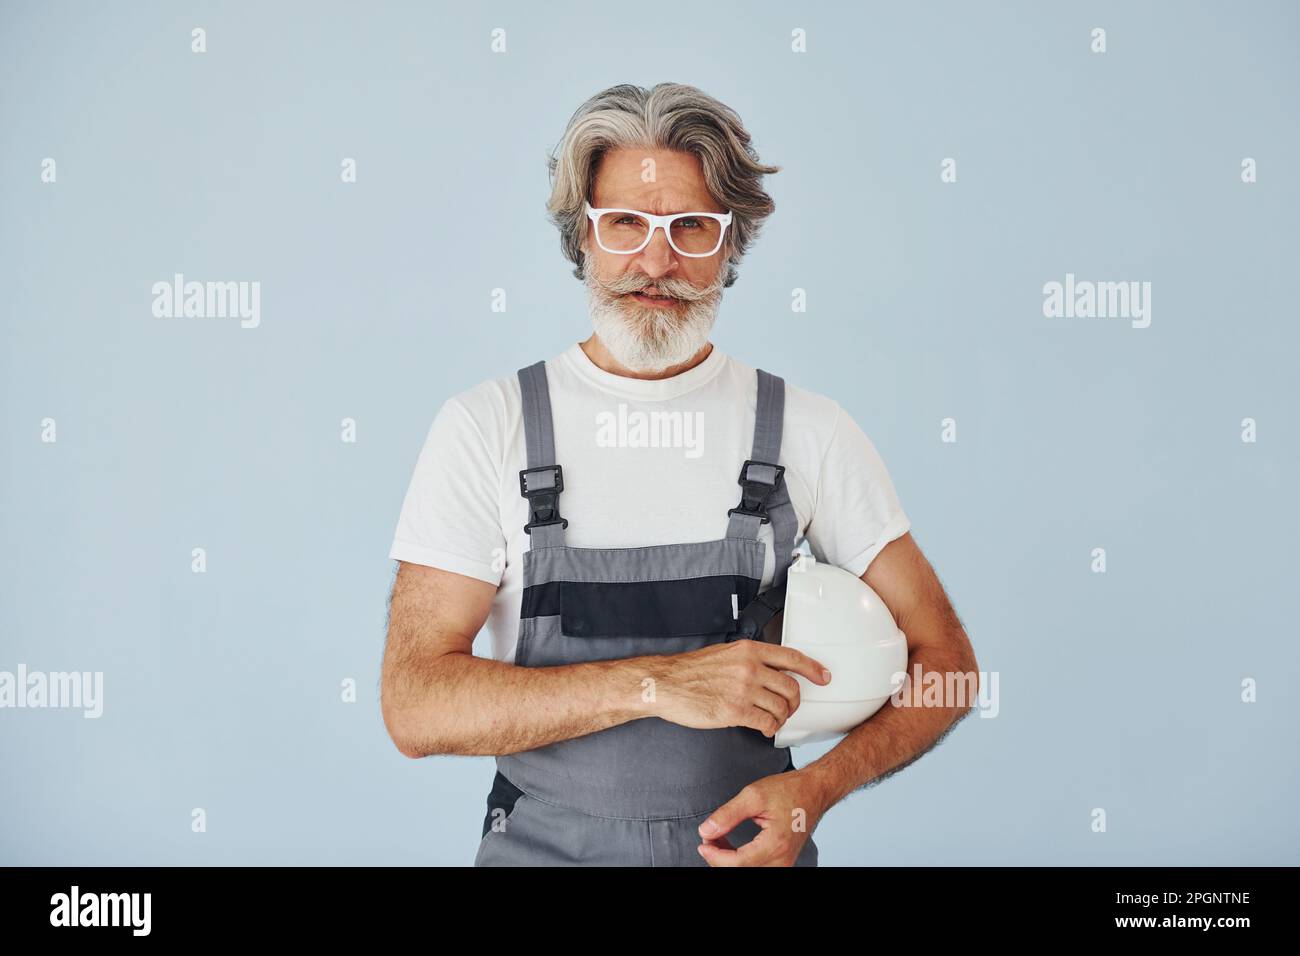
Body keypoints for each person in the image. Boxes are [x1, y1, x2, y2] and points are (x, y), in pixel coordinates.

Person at [382, 82, 979, 867]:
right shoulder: (489, 428)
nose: (656, 261)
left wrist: (817, 793)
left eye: (691, 227)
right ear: (582, 237)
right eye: (626, 222)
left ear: (731, 244)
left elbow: (949, 666)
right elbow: (415, 706)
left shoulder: (809, 431)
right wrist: (656, 684)